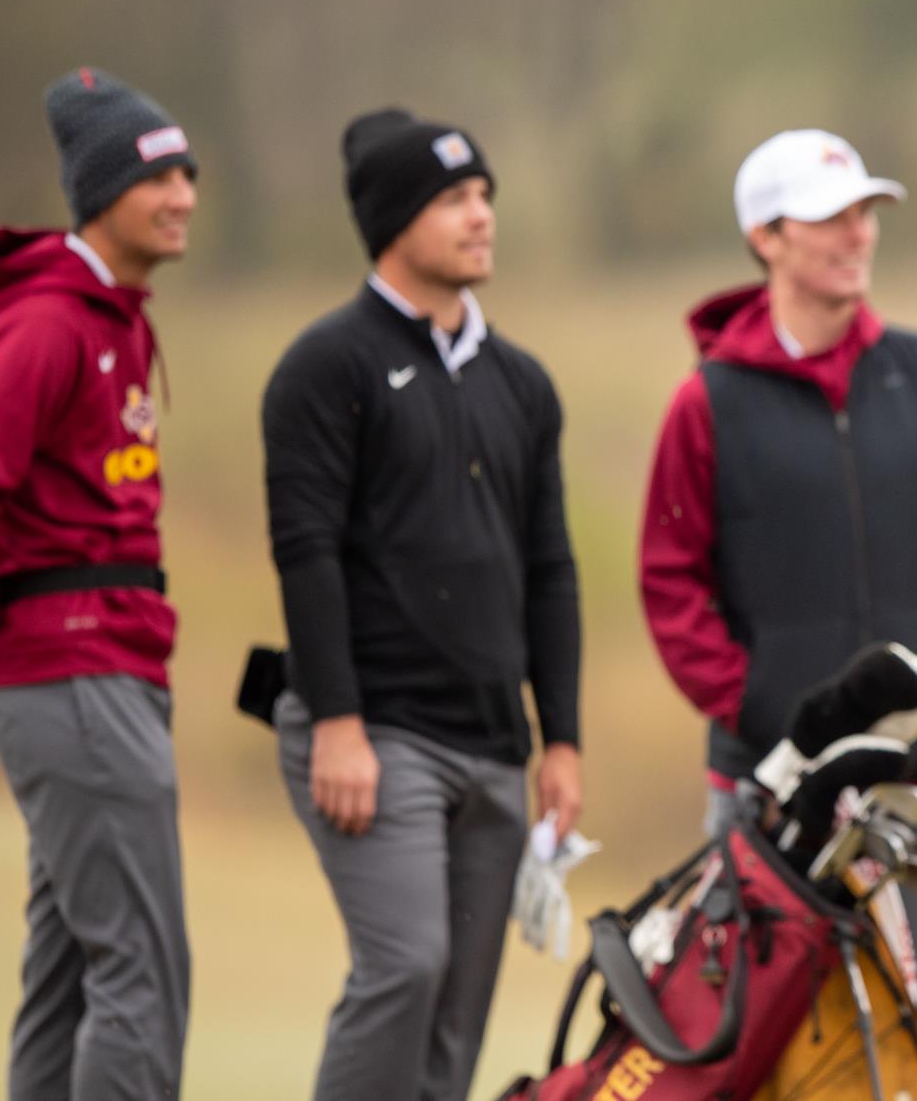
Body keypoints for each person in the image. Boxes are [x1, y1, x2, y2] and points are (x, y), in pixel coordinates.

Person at [639, 128, 917, 1093]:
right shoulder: (708, 403)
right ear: (766, 237)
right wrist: (765, 708)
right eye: (830, 218)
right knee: (756, 1030)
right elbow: (671, 583)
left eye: (866, 214)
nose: (857, 235)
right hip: (766, 779)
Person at [260, 108, 583, 1101]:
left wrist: (559, 739)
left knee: (455, 1015)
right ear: (393, 218)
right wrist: (339, 723)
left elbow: (549, 568)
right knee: (404, 964)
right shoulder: (328, 366)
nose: (480, 215)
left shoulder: (521, 381)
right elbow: (305, 551)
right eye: (453, 198)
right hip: (378, 732)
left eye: (483, 194)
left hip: (492, 744)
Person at [0, 66, 197, 1100]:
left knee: (74, 971)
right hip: (75, 667)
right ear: (98, 191)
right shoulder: (47, 325)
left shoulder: (112, 316)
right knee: (144, 971)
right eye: (159, 178)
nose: (185, 197)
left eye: (190, 176)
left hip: (99, 667)